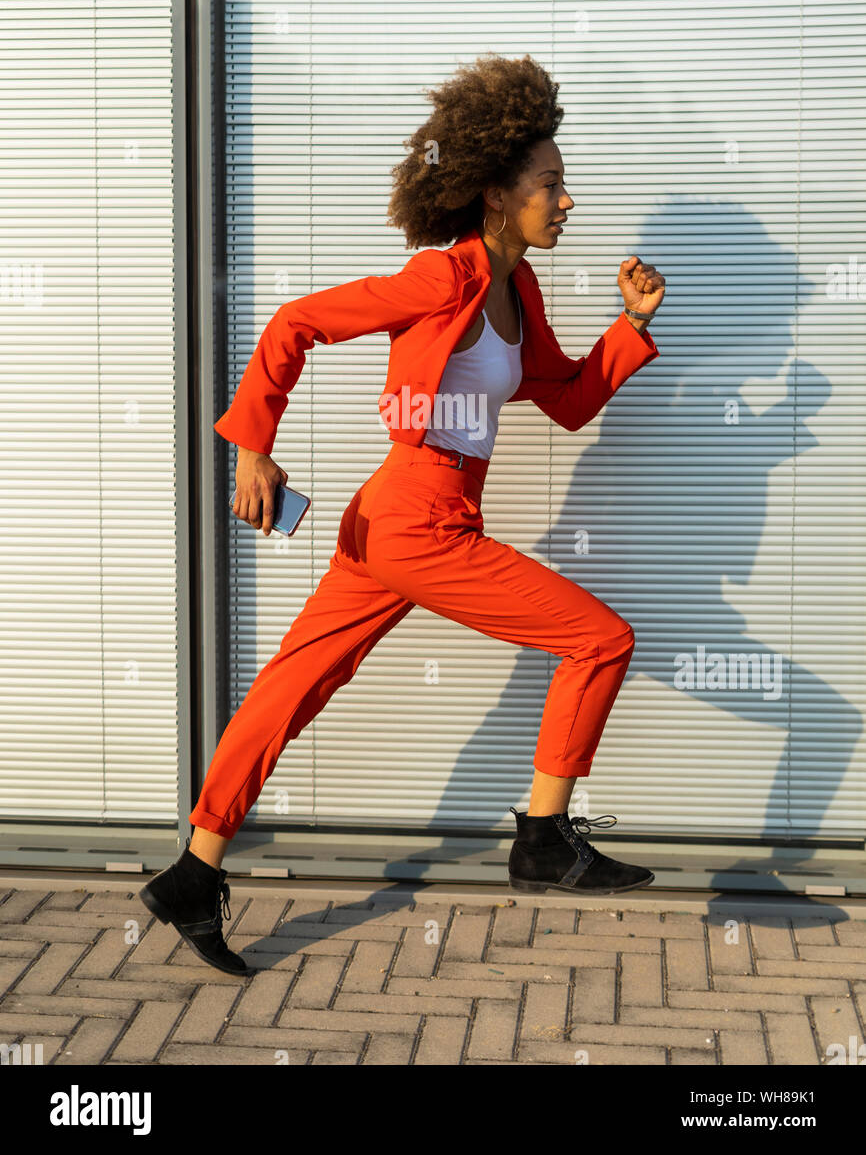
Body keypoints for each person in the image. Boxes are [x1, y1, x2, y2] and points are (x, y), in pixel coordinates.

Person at [140, 53, 666, 975]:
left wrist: (630, 328)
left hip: (398, 526)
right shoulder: (442, 278)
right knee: (599, 640)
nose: (567, 202)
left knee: (289, 689)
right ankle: (544, 839)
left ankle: (193, 872)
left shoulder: (521, 291)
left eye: (565, 185)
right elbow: (296, 321)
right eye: (551, 185)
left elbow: (570, 399)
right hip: (415, 519)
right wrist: (253, 444)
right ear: (498, 195)